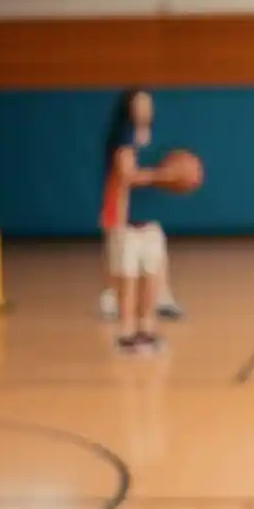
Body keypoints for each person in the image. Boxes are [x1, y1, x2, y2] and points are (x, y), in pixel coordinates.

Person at [102, 89, 178, 352]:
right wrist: (164, 175)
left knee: (152, 278)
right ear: (129, 108)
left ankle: (147, 330)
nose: (145, 108)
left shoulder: (157, 139)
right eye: (140, 104)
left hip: (151, 220)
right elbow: (128, 175)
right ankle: (126, 334)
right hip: (126, 222)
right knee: (128, 280)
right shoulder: (123, 139)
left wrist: (175, 176)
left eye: (148, 104)